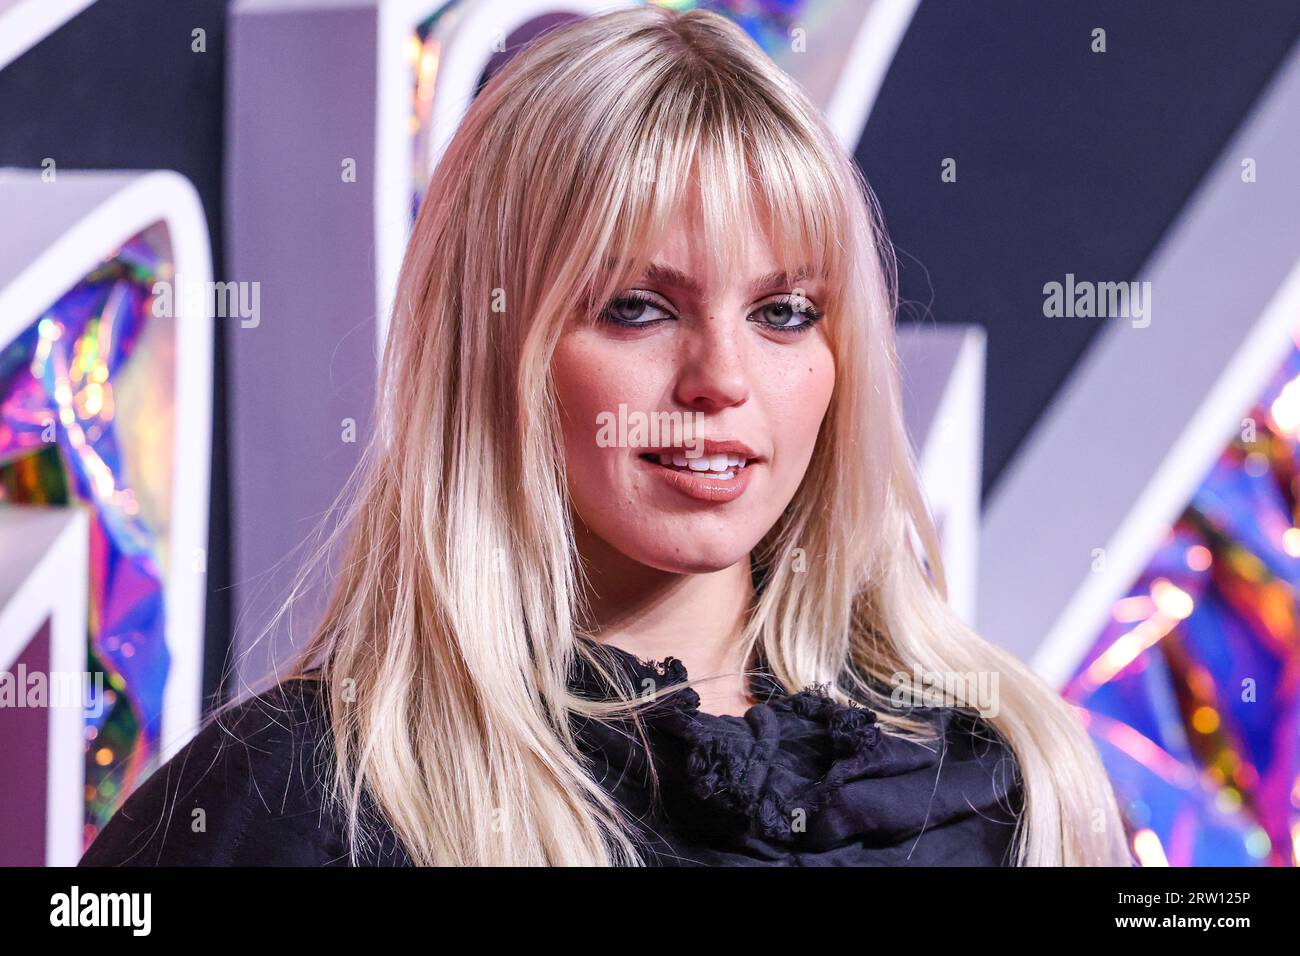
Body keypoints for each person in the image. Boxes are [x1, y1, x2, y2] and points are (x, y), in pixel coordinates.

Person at [81, 6, 1131, 867]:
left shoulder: (1018, 781)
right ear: (493, 347)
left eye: (784, 312)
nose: (720, 379)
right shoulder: (296, 805)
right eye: (637, 307)